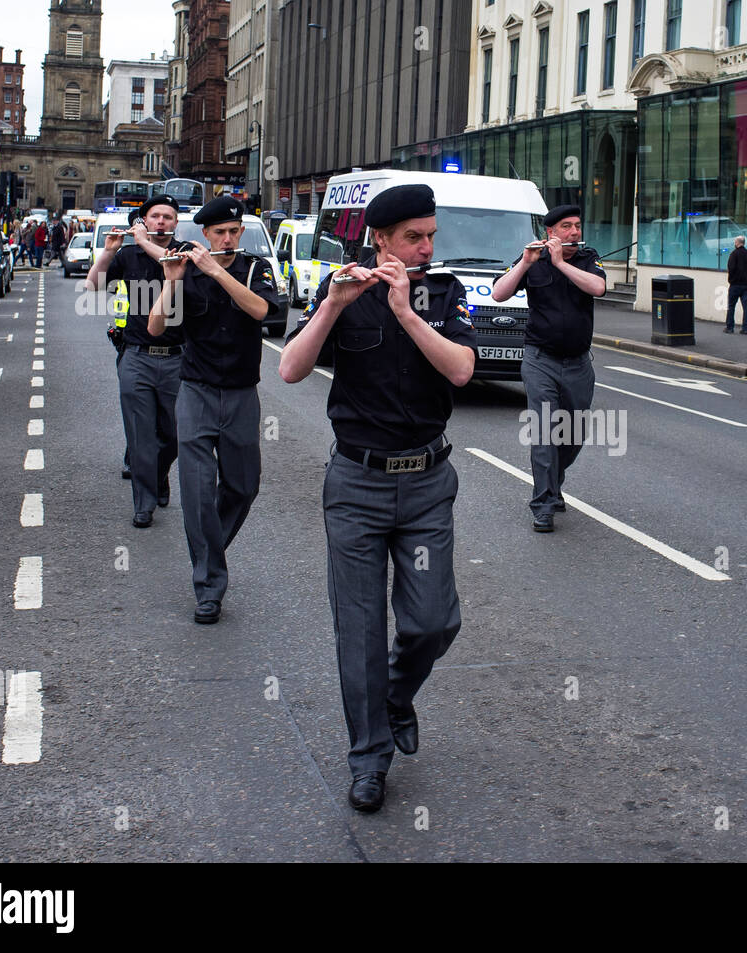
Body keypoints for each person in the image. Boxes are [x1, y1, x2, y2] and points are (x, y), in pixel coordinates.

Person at [280, 184, 476, 813]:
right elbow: (290, 369)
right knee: (359, 630)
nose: (425, 247)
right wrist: (335, 307)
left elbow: (462, 370)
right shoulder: (342, 289)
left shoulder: (444, 292)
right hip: (357, 486)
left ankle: (395, 697)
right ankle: (368, 758)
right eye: (413, 237)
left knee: (433, 620)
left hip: (424, 482)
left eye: (431, 236)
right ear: (382, 239)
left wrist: (408, 311)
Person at [147, 196, 284, 624]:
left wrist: (216, 272)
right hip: (196, 392)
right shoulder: (184, 271)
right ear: (204, 235)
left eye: (233, 231)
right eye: (219, 233)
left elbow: (262, 310)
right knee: (197, 489)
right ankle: (208, 585)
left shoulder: (256, 269)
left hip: (242, 393)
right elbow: (155, 326)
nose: (227, 238)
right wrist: (172, 280)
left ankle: (209, 548)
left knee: (244, 486)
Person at [491, 204, 607, 533]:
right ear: (550, 233)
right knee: (544, 434)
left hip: (578, 363)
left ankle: (554, 484)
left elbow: (597, 288)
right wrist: (526, 262)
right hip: (539, 360)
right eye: (566, 227)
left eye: (577, 226)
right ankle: (542, 505)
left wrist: (560, 263)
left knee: (572, 434)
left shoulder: (588, 259)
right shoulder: (534, 260)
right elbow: (499, 293)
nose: (574, 232)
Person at [87, 194, 184, 527]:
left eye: (167, 217)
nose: (161, 222)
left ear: (175, 223)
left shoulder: (183, 253)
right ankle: (143, 503)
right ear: (144, 221)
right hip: (137, 356)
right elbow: (93, 286)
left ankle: (159, 475)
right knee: (141, 434)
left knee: (174, 434)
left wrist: (144, 241)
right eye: (154, 216)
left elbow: (171, 264)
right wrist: (109, 252)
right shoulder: (128, 255)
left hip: (177, 359)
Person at [725, 235, 747, 334]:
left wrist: (731, 280)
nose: (734, 244)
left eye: (735, 242)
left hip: (735, 285)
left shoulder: (734, 254)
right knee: (746, 306)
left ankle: (730, 327)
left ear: (737, 243)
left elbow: (731, 268)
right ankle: (745, 328)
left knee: (731, 306)